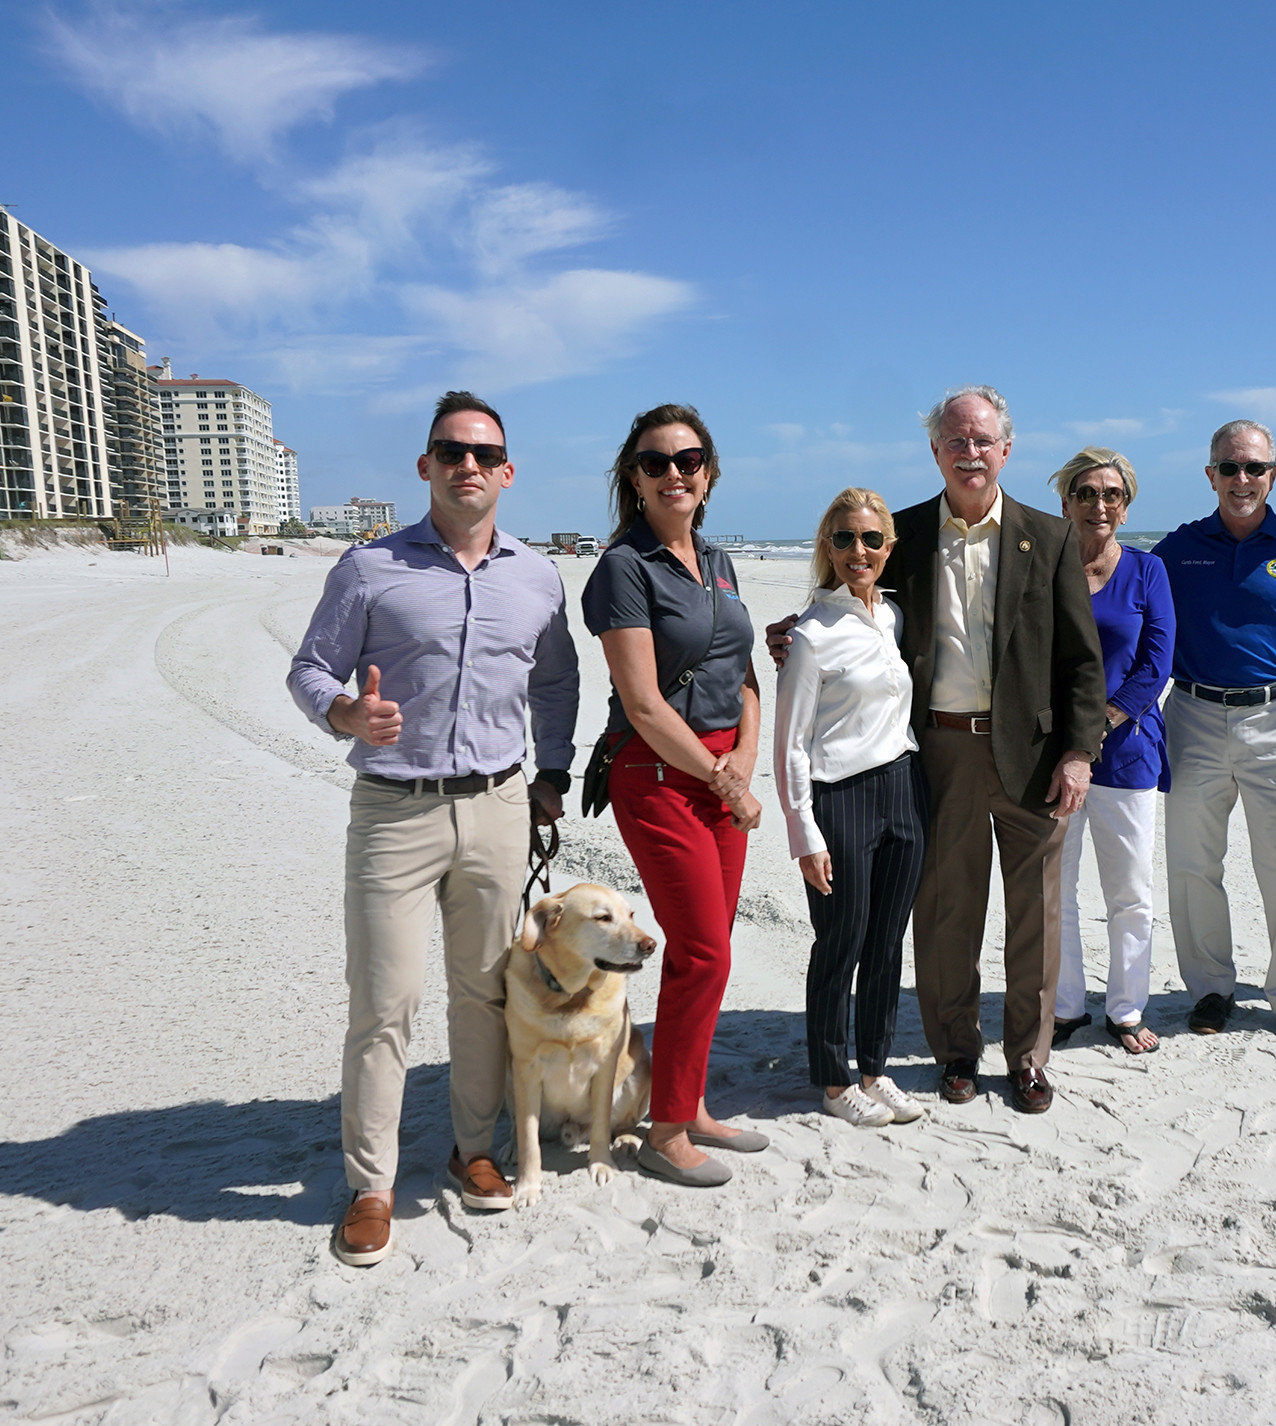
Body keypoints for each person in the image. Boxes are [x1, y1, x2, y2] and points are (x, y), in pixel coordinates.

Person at [288, 390, 578, 1268]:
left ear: (507, 472)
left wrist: (553, 772)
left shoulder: (536, 575)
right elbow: (308, 668)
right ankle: (371, 1185)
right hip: (393, 810)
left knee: (487, 994)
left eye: (484, 454)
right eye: (451, 451)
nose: (468, 466)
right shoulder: (369, 567)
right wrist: (345, 715)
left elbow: (556, 681)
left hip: (498, 805)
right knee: (384, 1002)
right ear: (425, 465)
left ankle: (472, 1148)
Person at [765, 386, 1106, 1113]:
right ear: (935, 452)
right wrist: (793, 637)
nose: (970, 452)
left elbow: (1083, 661)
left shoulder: (1048, 537)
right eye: (956, 440)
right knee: (946, 913)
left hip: (1036, 758)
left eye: (983, 440)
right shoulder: (905, 534)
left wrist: (1080, 753)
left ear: (1006, 449)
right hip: (935, 752)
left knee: (1034, 917)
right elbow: (853, 604)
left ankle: (1027, 1058)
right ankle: (955, 1050)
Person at [582, 403, 767, 1186]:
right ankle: (664, 1132)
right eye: (655, 464)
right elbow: (646, 703)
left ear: (710, 472)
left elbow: (744, 674)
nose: (674, 475)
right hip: (659, 777)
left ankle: (686, 1104)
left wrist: (745, 765)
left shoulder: (719, 562)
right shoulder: (624, 567)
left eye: (688, 460)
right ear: (635, 478)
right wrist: (722, 777)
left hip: (723, 778)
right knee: (702, 950)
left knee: (709, 958)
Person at [1151, 419, 1276, 1046]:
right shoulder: (1176, 551)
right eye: (1229, 468)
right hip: (1191, 716)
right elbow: (1136, 628)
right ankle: (1210, 987)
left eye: (1254, 468)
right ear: (1210, 475)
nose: (1242, 479)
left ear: (1273, 475)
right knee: (1191, 863)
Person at [773, 488, 928, 1128]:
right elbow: (790, 747)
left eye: (870, 539)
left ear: (889, 548)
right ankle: (835, 1084)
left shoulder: (891, 619)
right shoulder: (810, 636)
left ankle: (874, 1069)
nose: (857, 551)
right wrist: (804, 832)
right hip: (842, 801)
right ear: (827, 549)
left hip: (903, 791)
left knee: (888, 944)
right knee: (841, 944)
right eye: (843, 539)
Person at [1047, 447, 1174, 1056]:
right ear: (1066, 501)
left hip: (1127, 754)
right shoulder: (1046, 566)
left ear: (1126, 505)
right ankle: (1067, 1006)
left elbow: (1157, 662)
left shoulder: (1148, 573)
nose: (1099, 504)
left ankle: (1126, 1009)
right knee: (1056, 888)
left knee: (1130, 892)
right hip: (1053, 756)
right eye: (1087, 493)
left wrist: (1101, 724)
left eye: (1112, 495)